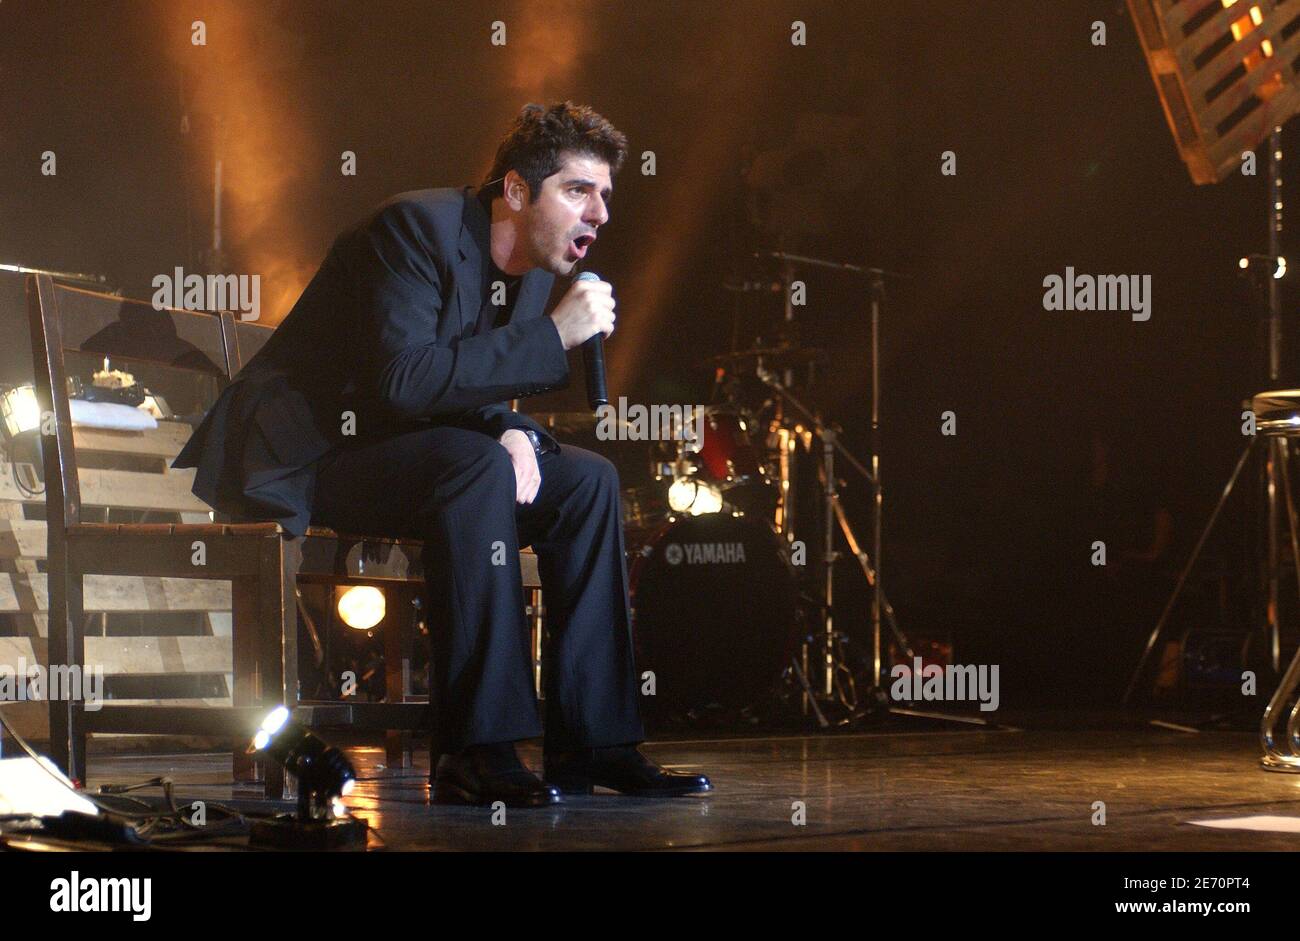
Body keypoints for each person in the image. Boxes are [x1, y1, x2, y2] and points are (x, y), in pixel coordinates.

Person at [173, 101, 712, 806]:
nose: (600, 213)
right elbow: (403, 379)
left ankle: (594, 741)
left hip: (408, 448)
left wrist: (512, 427)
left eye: (606, 195)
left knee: (587, 482)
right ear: (516, 191)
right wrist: (548, 343)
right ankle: (475, 750)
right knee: (477, 465)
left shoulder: (535, 272)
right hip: (312, 452)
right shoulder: (412, 230)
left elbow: (467, 383)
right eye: (579, 190)